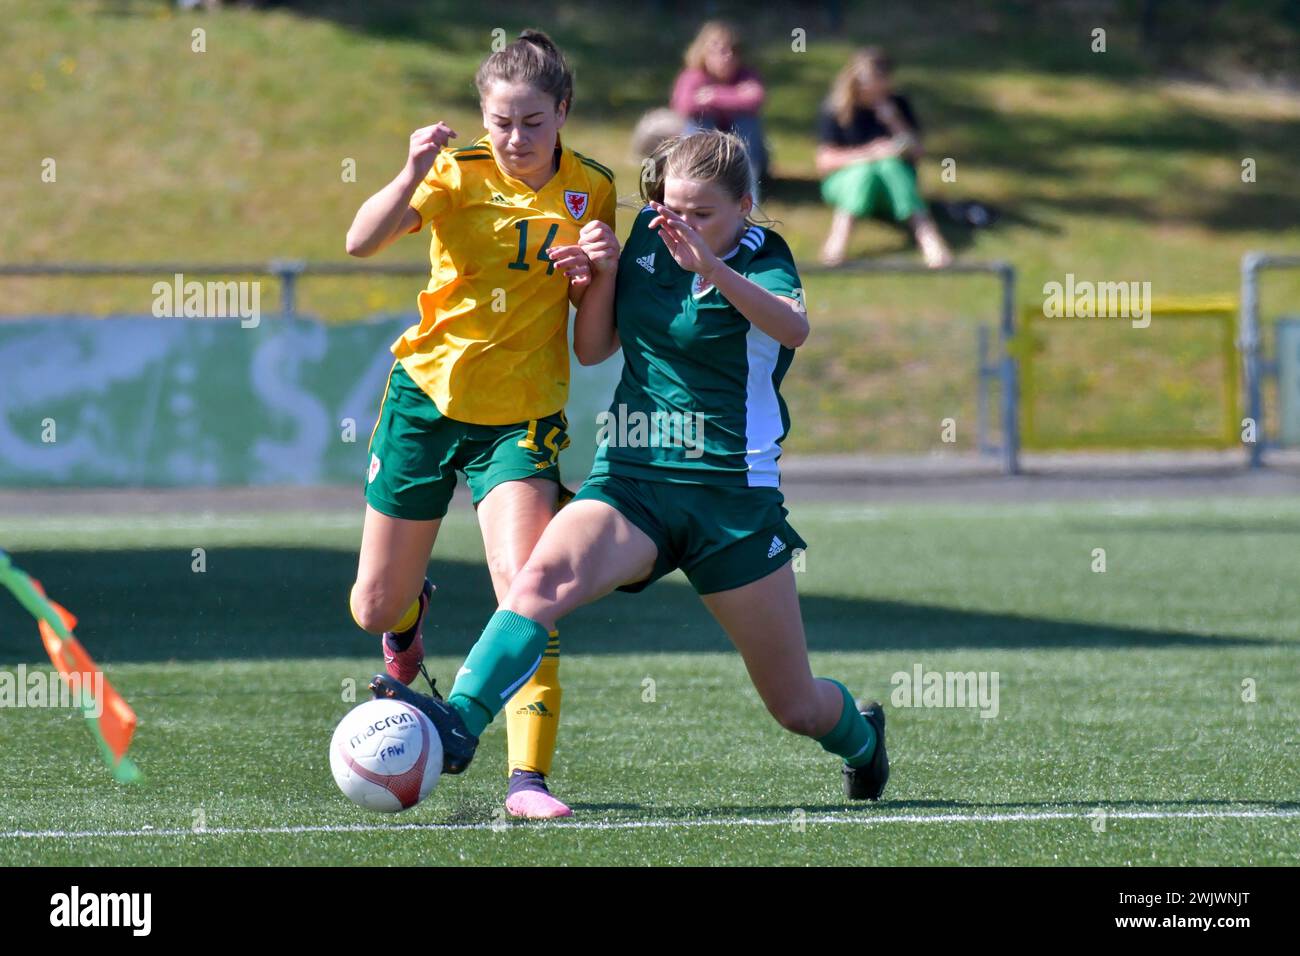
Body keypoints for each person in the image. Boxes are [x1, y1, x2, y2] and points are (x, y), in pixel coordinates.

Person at [370, 130, 890, 803]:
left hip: (729, 500)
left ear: (745, 206)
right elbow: (592, 350)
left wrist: (712, 267)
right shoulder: (647, 231)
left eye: (703, 213)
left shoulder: (765, 257)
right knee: (540, 580)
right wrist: (599, 279)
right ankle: (462, 725)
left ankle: (863, 738)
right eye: (673, 207)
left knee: (795, 707)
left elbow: (794, 328)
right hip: (634, 477)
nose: (681, 223)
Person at [343, 29, 618, 820]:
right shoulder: (453, 173)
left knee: (528, 589)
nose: (515, 139)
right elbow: (359, 242)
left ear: (562, 113)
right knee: (371, 606)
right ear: (481, 119)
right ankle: (407, 627)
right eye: (500, 122)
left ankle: (526, 782)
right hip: (425, 401)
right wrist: (407, 172)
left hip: (521, 420)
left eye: (533, 122)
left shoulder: (591, 190)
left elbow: (594, 344)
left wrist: (597, 274)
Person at [816, 47, 952, 268]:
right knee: (865, 170)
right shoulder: (836, 108)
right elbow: (824, 161)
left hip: (894, 186)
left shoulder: (897, 104)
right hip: (847, 184)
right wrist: (870, 153)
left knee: (889, 166)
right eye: (871, 83)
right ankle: (838, 240)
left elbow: (918, 153)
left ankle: (929, 238)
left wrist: (895, 122)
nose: (876, 90)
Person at [670, 21, 769, 203]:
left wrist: (714, 96)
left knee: (746, 122)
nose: (728, 57)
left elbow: (755, 99)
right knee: (700, 121)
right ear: (704, 52)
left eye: (734, 51)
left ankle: (749, 189)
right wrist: (736, 97)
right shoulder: (692, 76)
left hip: (742, 151)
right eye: (721, 51)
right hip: (705, 146)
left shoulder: (747, 75)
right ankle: (695, 179)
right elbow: (685, 106)